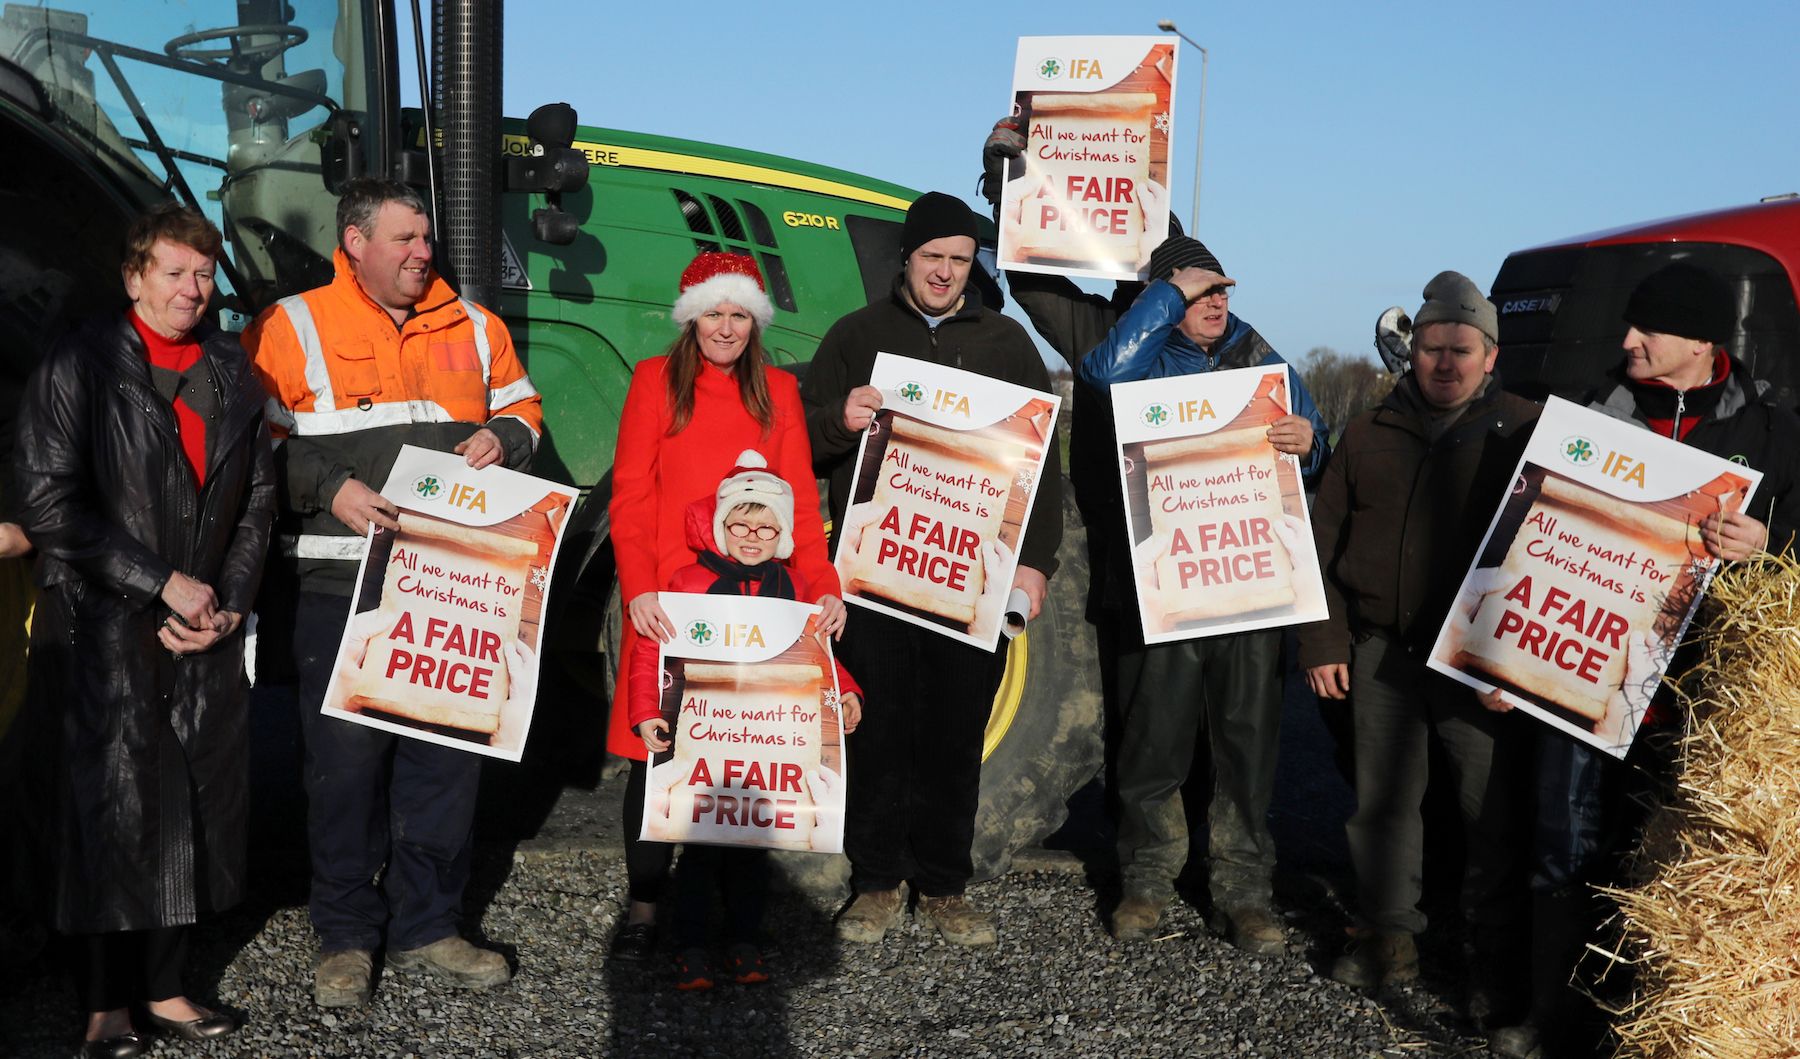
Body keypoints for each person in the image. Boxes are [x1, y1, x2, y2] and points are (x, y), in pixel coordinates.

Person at [1486, 263, 1800, 1059]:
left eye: (1646, 329)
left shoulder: (1769, 434)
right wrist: (1498, 656)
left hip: (1694, 701)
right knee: (1560, 851)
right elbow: (1523, 541)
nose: (1626, 340)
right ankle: (1549, 1012)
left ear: (1701, 342)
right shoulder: (1591, 419)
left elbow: (1796, 552)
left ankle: (1634, 1023)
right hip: (1580, 684)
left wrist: (1770, 543)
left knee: (1662, 865)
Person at [244, 178, 542, 1008]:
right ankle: (344, 935)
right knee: (344, 767)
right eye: (405, 239)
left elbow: (526, 407)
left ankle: (429, 924)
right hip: (342, 576)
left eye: (426, 240)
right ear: (354, 241)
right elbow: (250, 439)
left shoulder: (476, 326)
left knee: (444, 760)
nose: (422, 254)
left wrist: (506, 436)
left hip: (455, 577)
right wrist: (326, 483)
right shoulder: (289, 325)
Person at [12, 204, 273, 1058]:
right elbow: (49, 503)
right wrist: (161, 581)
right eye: (173, 272)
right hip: (102, 626)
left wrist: (225, 603)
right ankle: (103, 1008)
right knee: (110, 813)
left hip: (201, 630)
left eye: (204, 274)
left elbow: (258, 501)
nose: (192, 290)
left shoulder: (234, 366)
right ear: (134, 277)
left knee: (188, 807)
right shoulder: (80, 359)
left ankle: (165, 988)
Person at [802, 191, 1063, 947]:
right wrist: (837, 421)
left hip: (970, 576)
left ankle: (945, 885)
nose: (946, 272)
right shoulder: (857, 335)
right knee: (878, 728)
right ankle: (878, 881)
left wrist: (1037, 562)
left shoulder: (1008, 343)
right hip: (879, 570)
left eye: (958, 259)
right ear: (906, 261)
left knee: (953, 731)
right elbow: (806, 436)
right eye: (932, 258)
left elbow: (1042, 464)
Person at [1072, 235, 1328, 953]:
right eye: (1198, 292)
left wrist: (1311, 439)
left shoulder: (1259, 357)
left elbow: (1318, 445)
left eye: (1221, 290)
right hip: (1170, 584)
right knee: (1154, 738)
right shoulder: (1142, 358)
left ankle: (1243, 888)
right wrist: (1169, 291)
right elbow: (1099, 373)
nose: (1216, 303)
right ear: (1164, 300)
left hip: (1254, 585)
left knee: (1246, 741)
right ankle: (1148, 878)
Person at [1297, 272, 1538, 1010]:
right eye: (1430, 348)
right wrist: (1321, 640)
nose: (1444, 363)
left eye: (1460, 350)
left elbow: (1562, 557)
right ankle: (1387, 937)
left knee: (1489, 812)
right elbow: (1321, 539)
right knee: (1383, 806)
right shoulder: (1370, 433)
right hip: (1383, 652)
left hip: (1480, 660)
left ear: (1490, 355)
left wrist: (1527, 667)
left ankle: (1492, 961)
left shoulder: (1529, 434)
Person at [607, 252, 845, 963]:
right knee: (656, 753)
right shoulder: (655, 381)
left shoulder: (777, 390)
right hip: (672, 604)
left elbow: (801, 500)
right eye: (715, 311)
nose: (727, 327)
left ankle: (737, 918)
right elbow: (632, 492)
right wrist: (639, 589)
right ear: (692, 316)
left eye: (740, 313)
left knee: (745, 752)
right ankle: (646, 907)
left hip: (755, 603)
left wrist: (822, 584)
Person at [626, 452, 863, 989]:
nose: (751, 536)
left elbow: (820, 658)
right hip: (702, 743)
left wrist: (846, 694)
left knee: (752, 855)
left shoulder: (797, 588)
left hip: (766, 749)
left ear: (781, 533)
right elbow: (650, 651)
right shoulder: (686, 584)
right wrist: (645, 711)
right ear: (721, 526)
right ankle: (689, 946)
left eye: (765, 527)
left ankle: (744, 940)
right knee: (698, 851)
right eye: (740, 525)